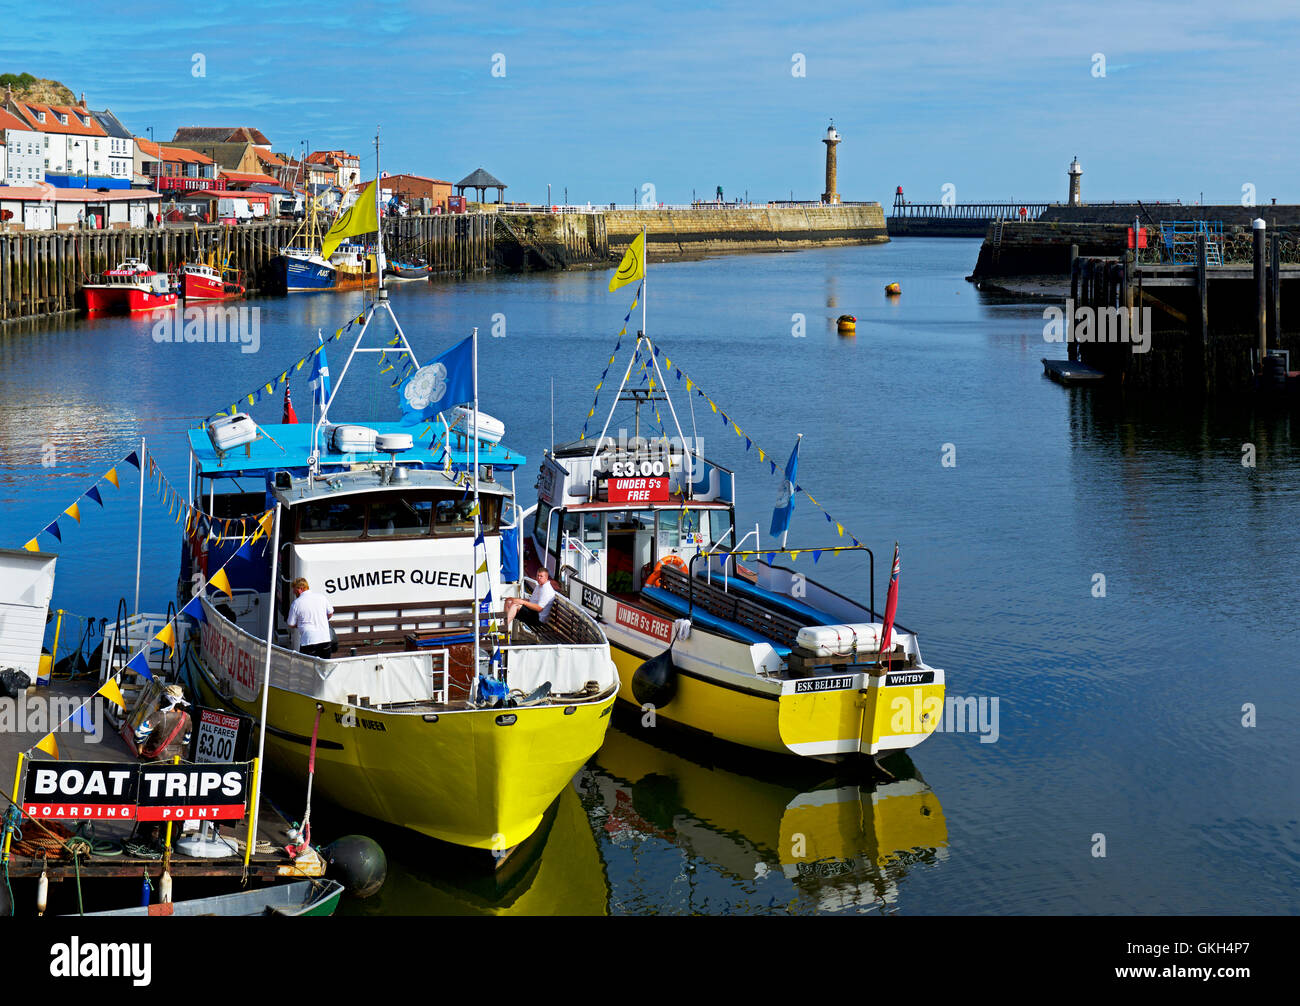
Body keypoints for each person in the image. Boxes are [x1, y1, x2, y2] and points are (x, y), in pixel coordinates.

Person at [286, 577, 334, 657]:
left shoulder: (296, 603)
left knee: (307, 667)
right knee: (324, 667)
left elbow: (291, 623)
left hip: (308, 641)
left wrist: (300, 625)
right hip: (325, 639)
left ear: (300, 589)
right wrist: (322, 620)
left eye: (295, 591)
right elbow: (330, 613)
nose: (294, 593)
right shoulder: (321, 597)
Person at [504, 568, 555, 637]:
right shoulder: (539, 586)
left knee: (515, 605)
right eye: (537, 576)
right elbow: (531, 601)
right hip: (533, 613)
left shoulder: (547, 590)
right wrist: (516, 599)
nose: (538, 578)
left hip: (538, 619)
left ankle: (503, 628)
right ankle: (504, 627)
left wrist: (522, 602)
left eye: (541, 576)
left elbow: (539, 608)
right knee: (509, 601)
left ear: (546, 577)